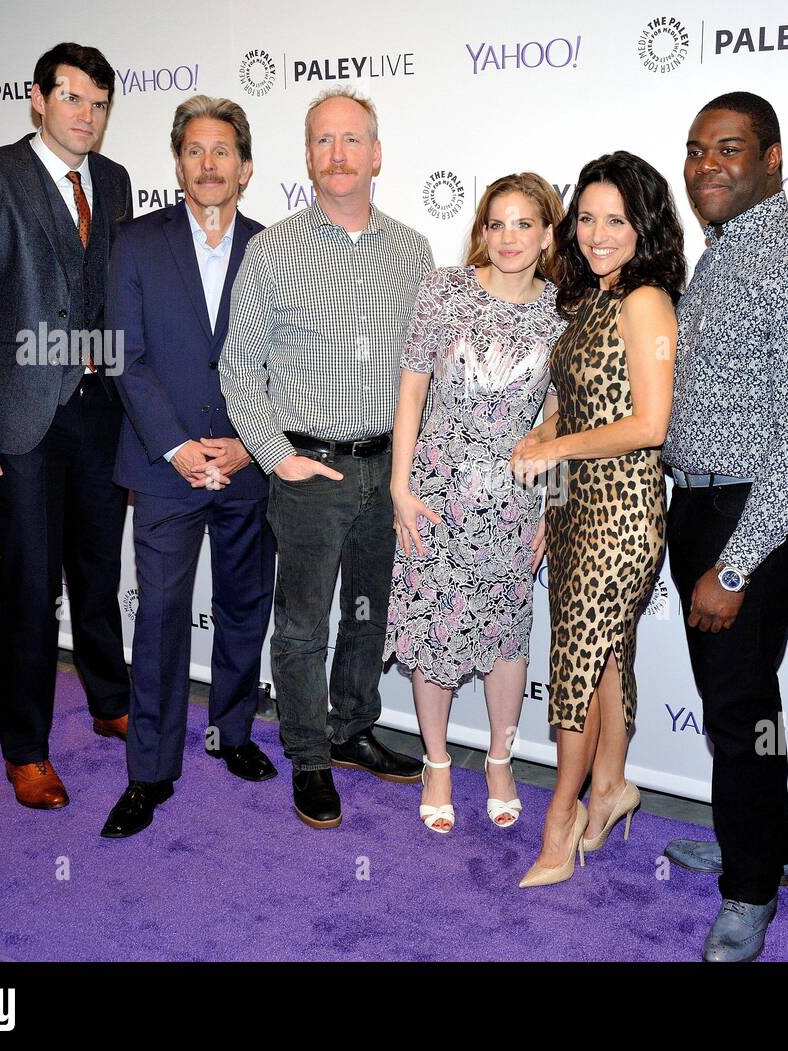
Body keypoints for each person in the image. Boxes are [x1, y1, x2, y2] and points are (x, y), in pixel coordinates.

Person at [660, 92, 788, 962]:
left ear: (773, 159)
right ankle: (764, 847)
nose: (706, 164)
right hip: (702, 503)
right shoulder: (723, 249)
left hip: (758, 517)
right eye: (697, 148)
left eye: (728, 148)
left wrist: (736, 566)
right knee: (735, 700)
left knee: (738, 708)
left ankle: (747, 892)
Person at [220, 88, 433, 829]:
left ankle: (352, 729)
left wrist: (410, 468)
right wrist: (278, 457)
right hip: (309, 470)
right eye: (323, 141)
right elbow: (239, 368)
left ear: (377, 155)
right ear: (307, 157)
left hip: (386, 468)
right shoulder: (272, 250)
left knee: (368, 616)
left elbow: (423, 368)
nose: (338, 154)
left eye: (352, 140)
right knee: (304, 623)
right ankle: (309, 755)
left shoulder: (413, 251)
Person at [0, 42, 133, 810]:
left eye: (100, 103)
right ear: (36, 99)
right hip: (17, 419)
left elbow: (110, 299)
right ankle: (26, 747)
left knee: (98, 573)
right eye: (73, 98)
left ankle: (111, 699)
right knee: (28, 585)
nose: (87, 115)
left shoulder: (112, 183)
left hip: (99, 413)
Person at [100, 96, 278, 839]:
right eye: (195, 151)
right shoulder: (135, 243)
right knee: (162, 618)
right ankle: (150, 771)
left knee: (245, 606)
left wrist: (246, 440)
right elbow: (123, 355)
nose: (209, 164)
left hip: (248, 463)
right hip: (164, 466)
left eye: (222, 151)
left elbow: (287, 362)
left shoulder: (274, 248)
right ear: (178, 164)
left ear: (245, 166)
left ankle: (232, 733)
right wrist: (178, 445)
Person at [510, 152, 682, 887]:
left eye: (616, 219)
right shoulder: (587, 301)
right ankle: (612, 786)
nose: (597, 233)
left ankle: (562, 819)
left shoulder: (645, 300)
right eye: (586, 217)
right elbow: (570, 404)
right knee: (605, 654)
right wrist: (547, 463)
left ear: (644, 227)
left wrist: (553, 445)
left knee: (575, 667)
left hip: (623, 512)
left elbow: (649, 423)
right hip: (579, 506)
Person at [384, 173, 566, 834]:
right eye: (498, 223)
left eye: (525, 224)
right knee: (435, 627)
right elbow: (411, 388)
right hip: (434, 491)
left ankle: (498, 759)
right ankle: (436, 763)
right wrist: (400, 486)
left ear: (548, 233)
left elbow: (557, 419)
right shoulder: (445, 290)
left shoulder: (561, 310)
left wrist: (552, 504)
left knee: (507, 636)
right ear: (481, 231)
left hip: (515, 502)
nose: (510, 237)